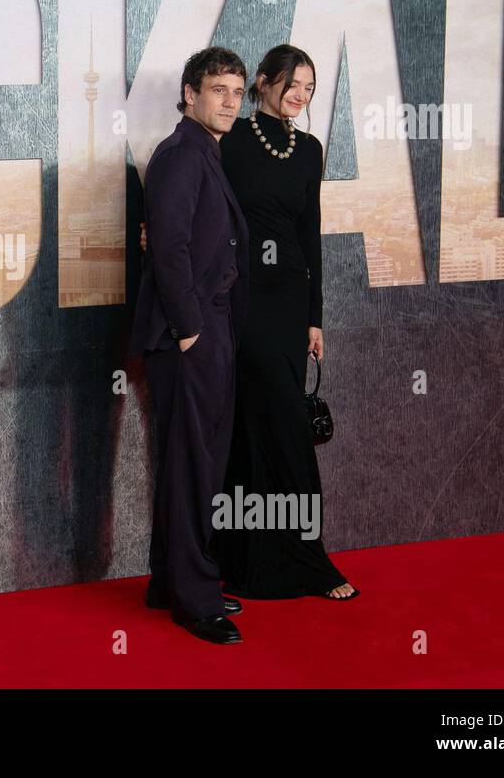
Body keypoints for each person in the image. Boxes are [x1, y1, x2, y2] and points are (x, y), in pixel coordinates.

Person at [214, 44, 357, 601]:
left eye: (310, 89)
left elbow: (309, 235)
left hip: (289, 301)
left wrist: (314, 317)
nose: (300, 96)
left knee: (279, 421)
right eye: (292, 85)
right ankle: (256, 559)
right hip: (241, 300)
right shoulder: (231, 140)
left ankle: (293, 558)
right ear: (264, 83)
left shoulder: (310, 150)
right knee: (261, 424)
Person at [128, 47, 250, 645]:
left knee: (196, 462)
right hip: (189, 333)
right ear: (189, 93)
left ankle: (171, 582)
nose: (229, 102)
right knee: (191, 464)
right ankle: (195, 600)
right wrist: (190, 330)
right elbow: (169, 250)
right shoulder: (180, 155)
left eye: (237, 91)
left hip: (210, 326)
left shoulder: (205, 151)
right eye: (218, 90)